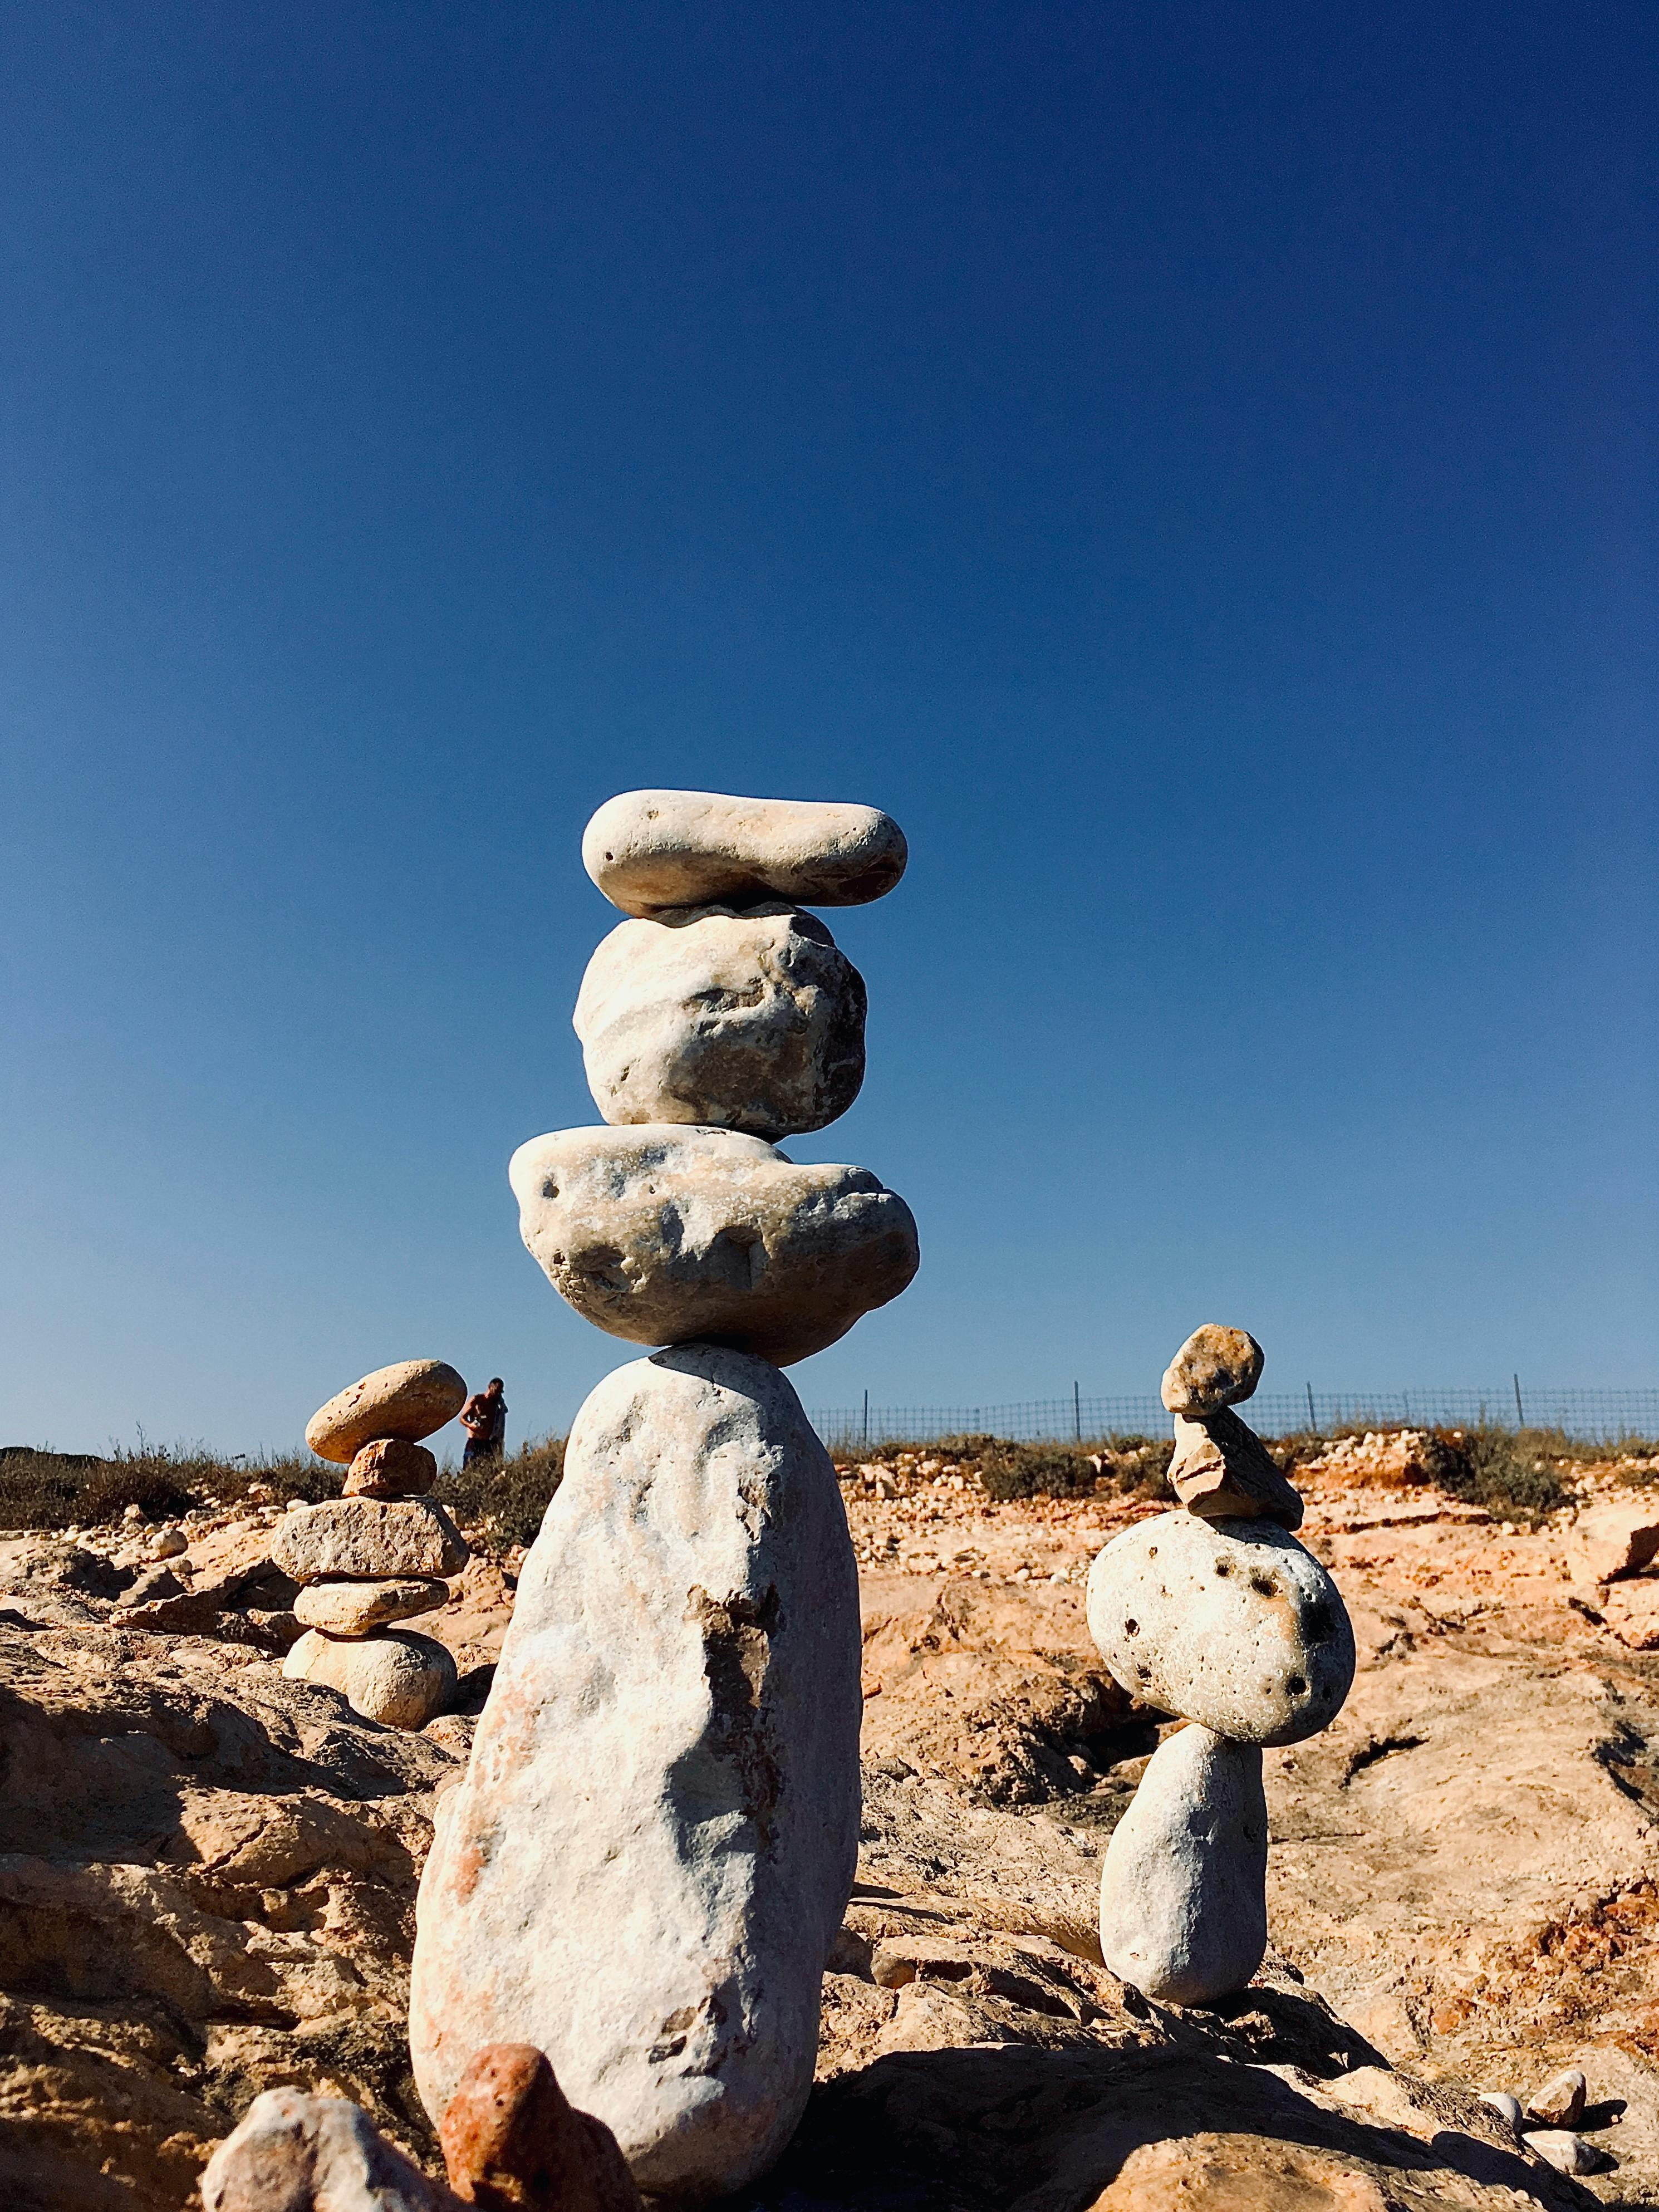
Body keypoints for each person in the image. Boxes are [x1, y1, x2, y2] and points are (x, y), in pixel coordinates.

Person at [460, 1377, 507, 1468]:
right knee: (470, 1467)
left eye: (500, 1392)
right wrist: (470, 1425)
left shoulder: (498, 1406)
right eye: (496, 1390)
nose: (498, 1394)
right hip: (474, 1441)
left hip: (488, 1442)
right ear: (490, 1387)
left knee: (489, 1469)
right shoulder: (477, 1400)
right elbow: (462, 1418)